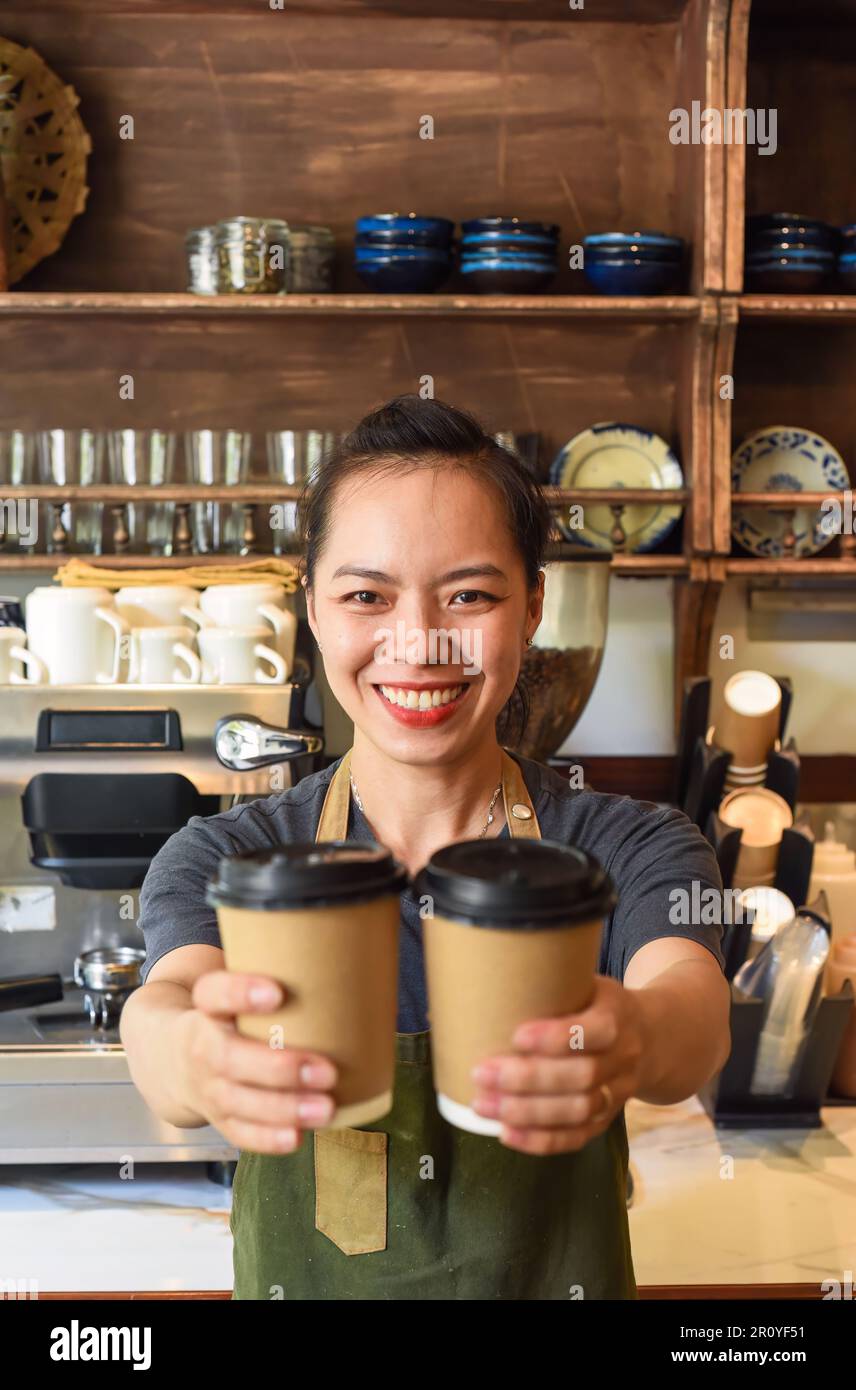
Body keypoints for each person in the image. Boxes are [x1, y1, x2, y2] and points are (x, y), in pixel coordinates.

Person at [121, 394, 731, 1300]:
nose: (418, 641)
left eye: (470, 595)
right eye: (367, 595)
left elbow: (693, 1015)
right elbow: (163, 1015)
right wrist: (195, 1058)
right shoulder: (229, 857)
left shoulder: (630, 843)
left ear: (531, 608)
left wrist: (633, 1037)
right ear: (315, 613)